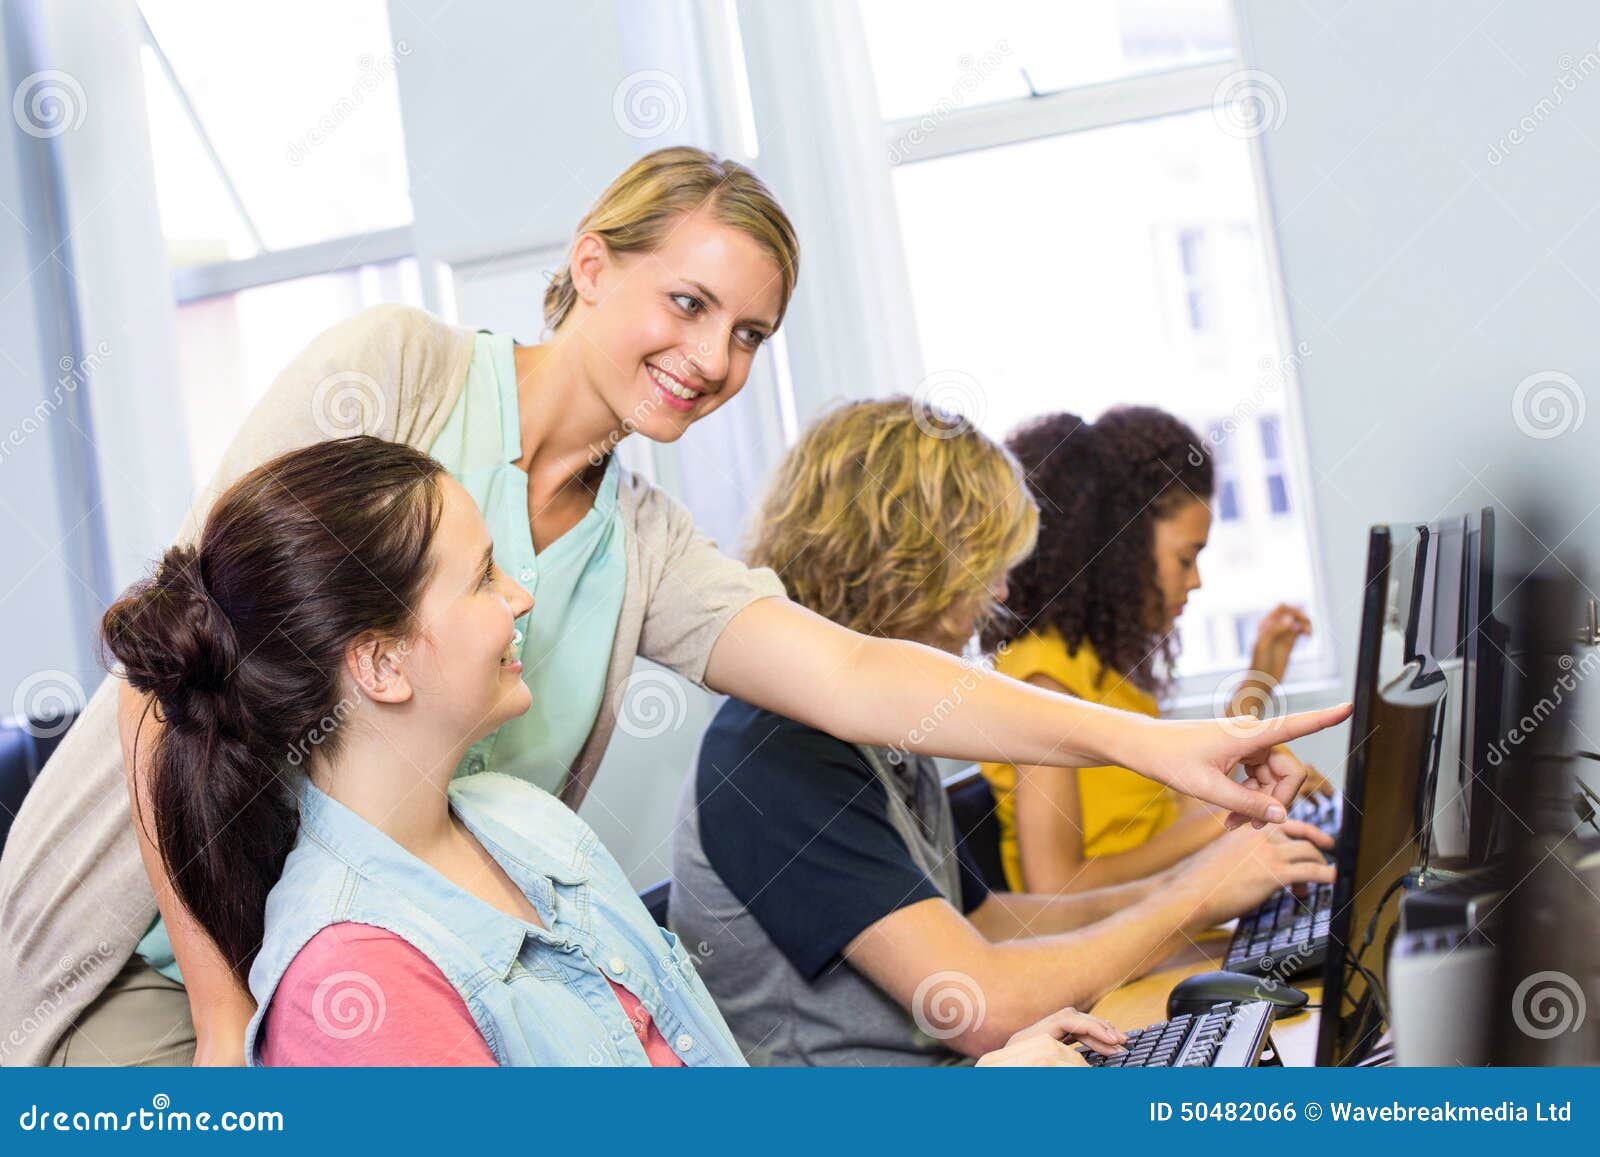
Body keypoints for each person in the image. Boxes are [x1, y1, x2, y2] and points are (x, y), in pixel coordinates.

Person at [0, 149, 1345, 1068]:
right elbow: (178, 661)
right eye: (687, 302)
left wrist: (1145, 743)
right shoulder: (395, 375)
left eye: (751, 335)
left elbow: (863, 676)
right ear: (591, 263)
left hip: (417, 973)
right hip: (156, 952)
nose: (712, 359)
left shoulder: (641, 542)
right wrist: (231, 1015)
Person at [102, 435, 1116, 1068]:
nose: (523, 596)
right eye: (485, 578)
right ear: (381, 665)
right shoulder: (355, 984)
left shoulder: (519, 817)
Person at [670, 400, 1335, 1066]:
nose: (995, 597)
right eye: (981, 569)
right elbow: (977, 1003)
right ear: (906, 567)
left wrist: (1199, 891)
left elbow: (984, 925)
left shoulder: (886, 727)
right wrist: (1194, 898)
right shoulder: (773, 754)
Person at [979, 407, 1325, 896]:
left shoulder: (1103, 670)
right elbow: (1054, 887)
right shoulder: (1046, 683)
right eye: (1187, 558)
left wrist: (1257, 685)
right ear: (1125, 548)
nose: (1197, 580)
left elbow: (1164, 816)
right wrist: (1238, 811)